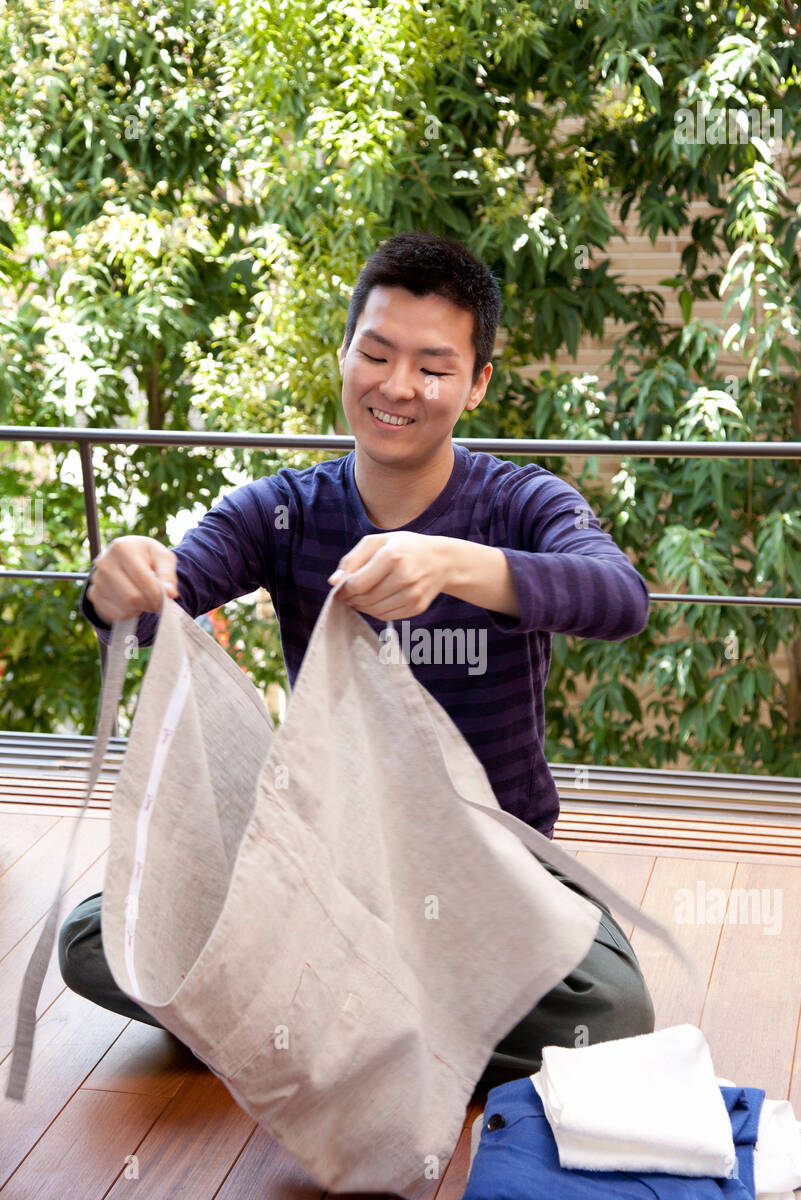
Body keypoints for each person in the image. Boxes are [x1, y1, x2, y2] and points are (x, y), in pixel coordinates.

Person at [60, 230, 654, 1078]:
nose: (398, 386)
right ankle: (393, 1020)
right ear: (344, 355)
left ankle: (306, 1022)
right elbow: (164, 604)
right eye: (375, 354)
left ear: (477, 383)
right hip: (326, 864)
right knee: (93, 940)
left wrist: (453, 564)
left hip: (491, 870)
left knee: (613, 1011)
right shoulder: (282, 511)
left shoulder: (520, 502)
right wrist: (119, 584)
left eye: (434, 367)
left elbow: (618, 598)